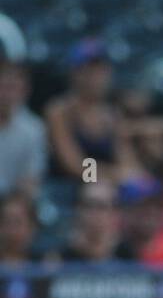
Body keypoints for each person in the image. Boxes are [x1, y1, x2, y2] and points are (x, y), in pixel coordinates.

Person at [44, 39, 134, 184]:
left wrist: (134, 178)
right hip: (66, 190)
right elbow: (72, 164)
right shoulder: (59, 111)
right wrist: (114, 176)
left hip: (105, 189)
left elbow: (126, 159)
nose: (95, 77)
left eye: (100, 70)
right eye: (89, 70)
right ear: (74, 73)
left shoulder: (113, 114)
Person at [0, 57, 47, 197]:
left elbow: (31, 181)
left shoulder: (34, 129)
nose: (6, 94)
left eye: (13, 87)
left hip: (14, 203)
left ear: (25, 90)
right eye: (3, 86)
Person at [61, 180, 123, 263]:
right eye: (88, 205)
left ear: (114, 212)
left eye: (101, 206)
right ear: (78, 209)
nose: (94, 212)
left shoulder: (128, 254)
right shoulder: (60, 258)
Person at [0, 191, 39, 264]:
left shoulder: (44, 266)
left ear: (32, 227)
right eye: (7, 222)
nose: (12, 230)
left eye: (18, 222)